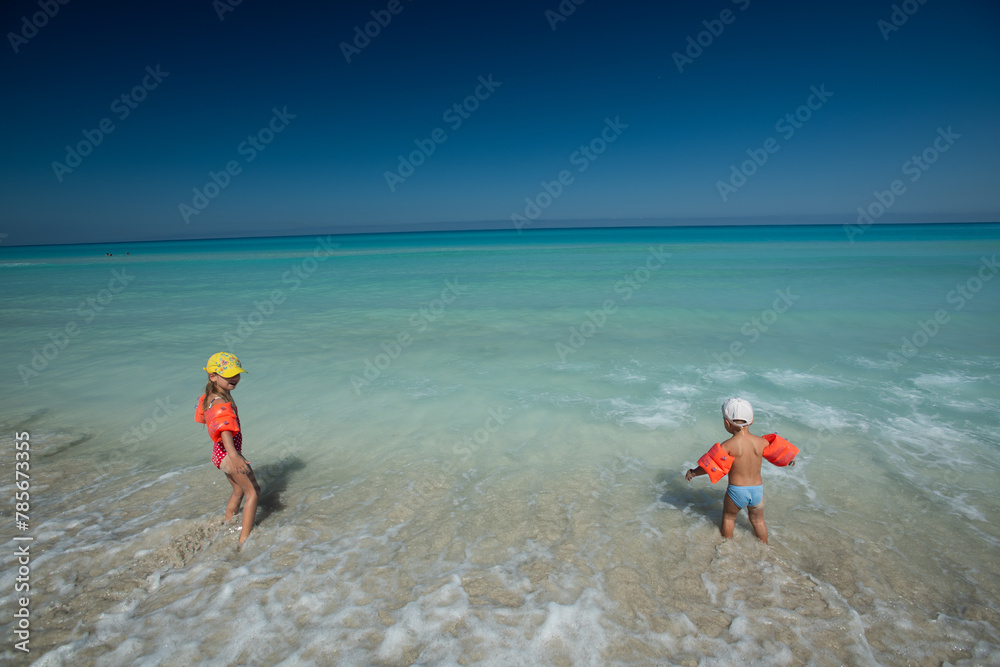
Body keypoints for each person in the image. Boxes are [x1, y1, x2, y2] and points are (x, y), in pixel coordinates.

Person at [685, 398, 798, 544]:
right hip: (757, 490)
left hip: (737, 491)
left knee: (729, 518)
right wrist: (789, 459)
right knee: (758, 521)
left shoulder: (728, 446)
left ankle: (726, 546)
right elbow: (781, 453)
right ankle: (765, 545)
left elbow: (711, 466)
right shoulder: (762, 442)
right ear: (751, 421)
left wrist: (693, 472)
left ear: (727, 423)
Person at [195, 352, 260, 545]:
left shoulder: (212, 396)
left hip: (219, 454)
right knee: (253, 493)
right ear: (212, 376)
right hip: (228, 454)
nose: (234, 378)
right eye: (228, 374)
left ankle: (227, 523)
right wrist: (234, 456)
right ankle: (244, 540)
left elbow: (203, 418)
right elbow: (224, 429)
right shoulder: (221, 401)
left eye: (237, 374)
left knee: (239, 491)